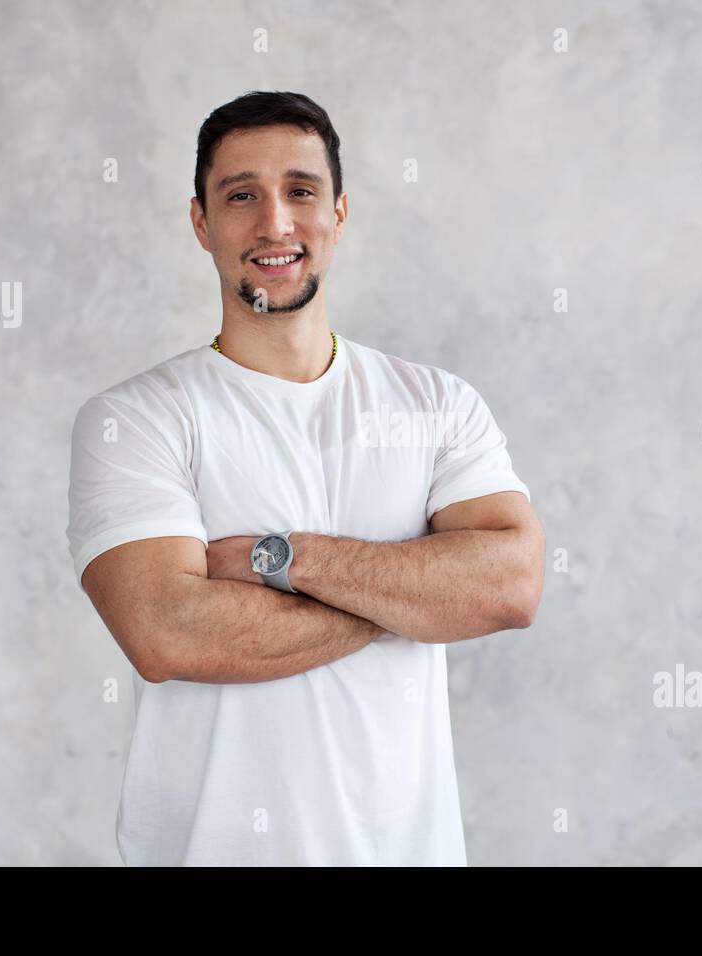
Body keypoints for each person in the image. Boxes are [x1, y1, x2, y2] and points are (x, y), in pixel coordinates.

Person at [65, 90, 545, 865]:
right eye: (242, 195)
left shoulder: (435, 405)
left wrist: (279, 562)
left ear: (340, 212)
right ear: (201, 222)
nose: (275, 223)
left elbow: (511, 586)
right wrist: (412, 600)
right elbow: (163, 632)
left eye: (301, 191)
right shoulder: (137, 420)